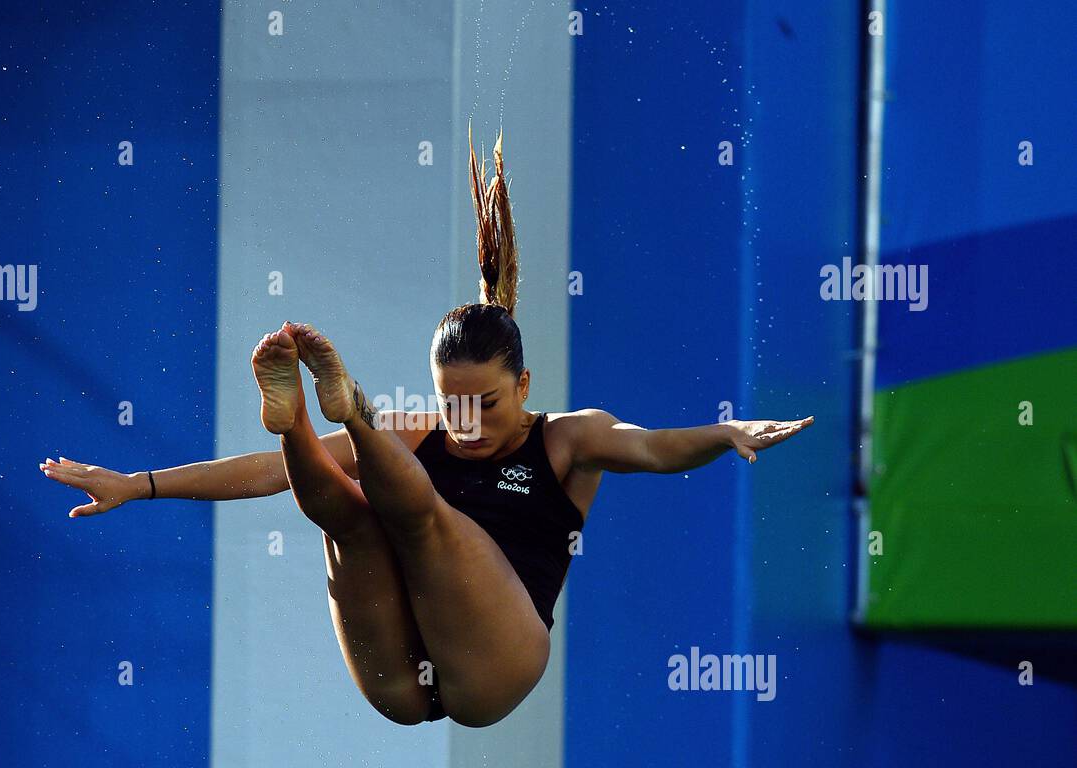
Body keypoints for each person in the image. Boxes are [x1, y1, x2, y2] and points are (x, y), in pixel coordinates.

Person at [40, 130, 813, 727]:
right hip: (399, 679)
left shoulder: (570, 440)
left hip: (495, 670)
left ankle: (349, 414)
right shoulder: (423, 438)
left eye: (489, 403)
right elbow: (267, 477)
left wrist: (724, 432)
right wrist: (135, 485)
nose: (467, 425)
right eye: (453, 406)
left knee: (421, 515)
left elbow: (651, 446)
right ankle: (301, 421)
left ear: (527, 387)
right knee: (344, 515)